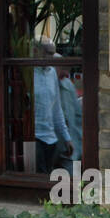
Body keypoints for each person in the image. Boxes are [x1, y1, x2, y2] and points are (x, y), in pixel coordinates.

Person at [32, 36, 73, 173]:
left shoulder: (51, 74)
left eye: (53, 53)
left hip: (50, 137)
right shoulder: (29, 73)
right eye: (48, 53)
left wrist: (66, 137)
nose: (52, 57)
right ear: (36, 51)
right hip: (34, 136)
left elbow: (57, 109)